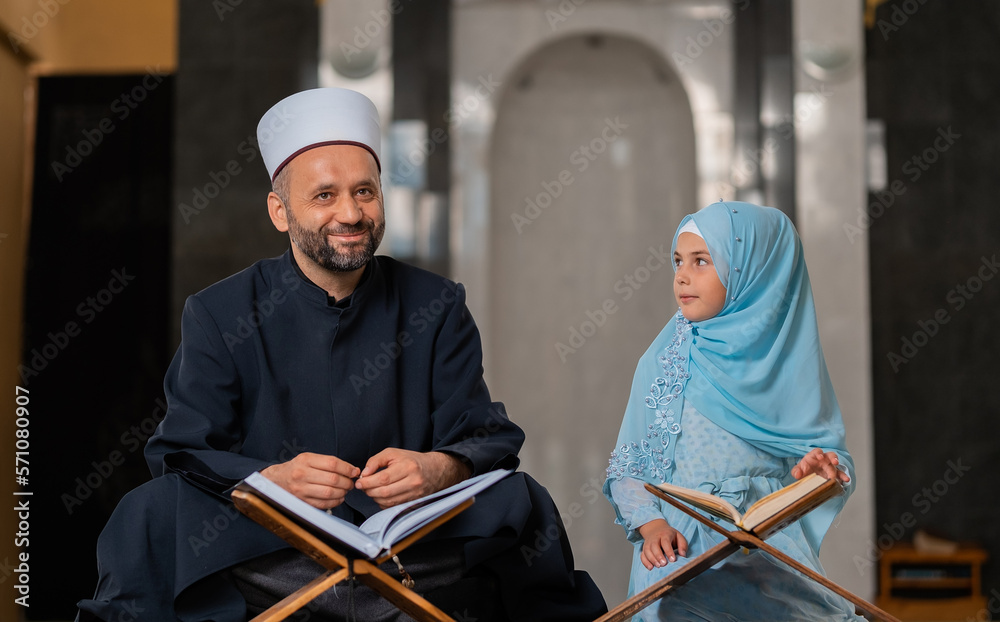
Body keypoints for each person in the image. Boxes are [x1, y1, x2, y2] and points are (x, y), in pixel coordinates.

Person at [76, 88, 606, 622]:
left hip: (411, 549)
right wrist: (273, 481)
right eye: (324, 196)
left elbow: (483, 433)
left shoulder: (436, 304)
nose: (351, 213)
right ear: (280, 212)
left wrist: (438, 467)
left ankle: (366, 596)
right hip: (274, 550)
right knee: (148, 511)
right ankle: (354, 598)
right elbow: (182, 449)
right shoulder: (219, 312)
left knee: (521, 498)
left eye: (365, 192)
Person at [604, 201, 863, 620]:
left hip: (767, 555)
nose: (682, 276)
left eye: (702, 261)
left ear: (754, 273)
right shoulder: (664, 362)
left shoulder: (790, 366)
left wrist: (818, 472)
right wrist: (652, 527)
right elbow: (630, 468)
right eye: (678, 262)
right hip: (681, 553)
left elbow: (828, 460)